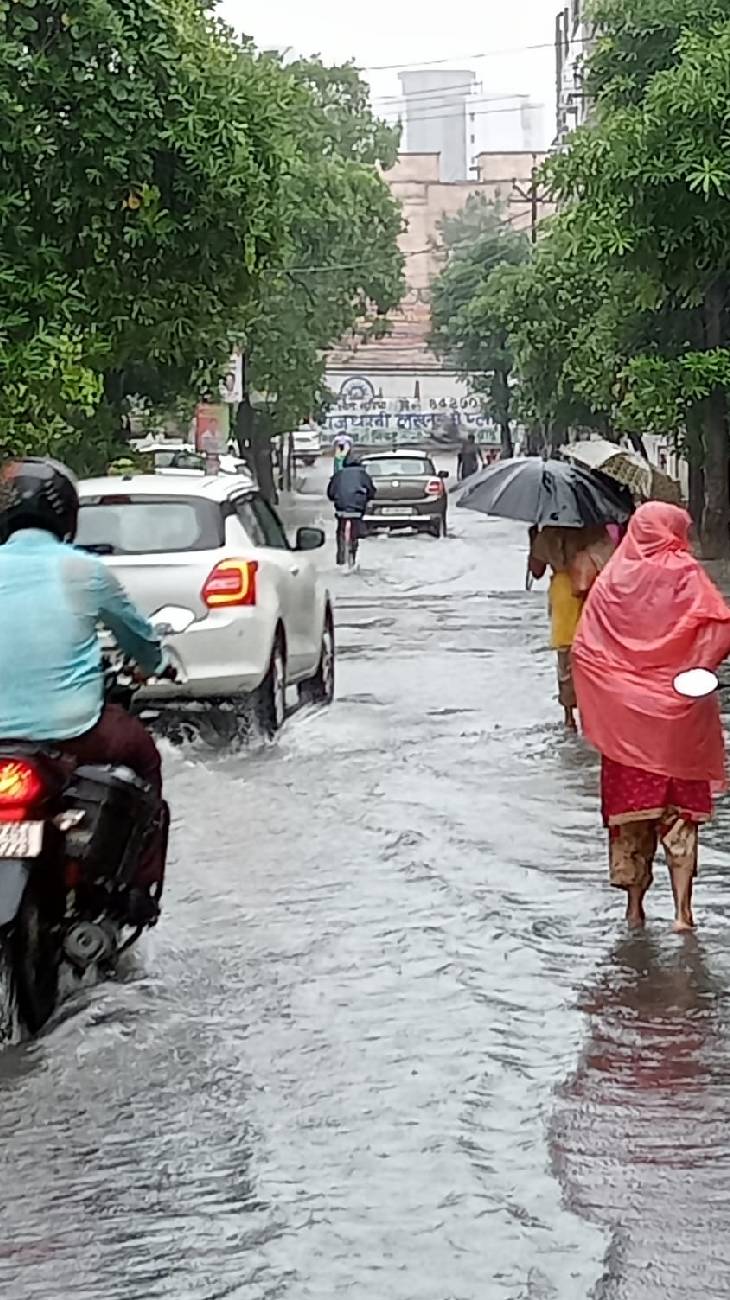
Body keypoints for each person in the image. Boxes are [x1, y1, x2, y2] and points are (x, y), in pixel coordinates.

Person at [0, 458, 170, 924]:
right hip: (70, 731)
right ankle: (135, 891)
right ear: (66, 515)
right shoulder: (84, 571)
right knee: (143, 756)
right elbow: (142, 641)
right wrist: (156, 666)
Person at [572, 502, 730, 932]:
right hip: (679, 724)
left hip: (625, 729)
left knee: (630, 821)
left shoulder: (614, 580)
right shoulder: (686, 573)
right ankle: (683, 912)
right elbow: (719, 627)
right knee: (682, 821)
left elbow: (584, 648)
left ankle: (635, 908)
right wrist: (690, 674)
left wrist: (616, 693)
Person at [528, 524, 616, 730]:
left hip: (564, 597)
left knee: (566, 656)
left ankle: (568, 715)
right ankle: (593, 710)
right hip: (593, 592)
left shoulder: (549, 533)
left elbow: (536, 570)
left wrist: (533, 539)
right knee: (596, 654)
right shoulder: (597, 531)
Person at [327, 450, 375, 565]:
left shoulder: (338, 474)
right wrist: (367, 498)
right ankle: (354, 545)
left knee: (341, 530)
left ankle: (340, 557)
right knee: (356, 526)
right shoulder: (363, 474)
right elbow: (371, 491)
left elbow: (330, 492)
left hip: (341, 507)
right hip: (357, 507)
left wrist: (336, 498)